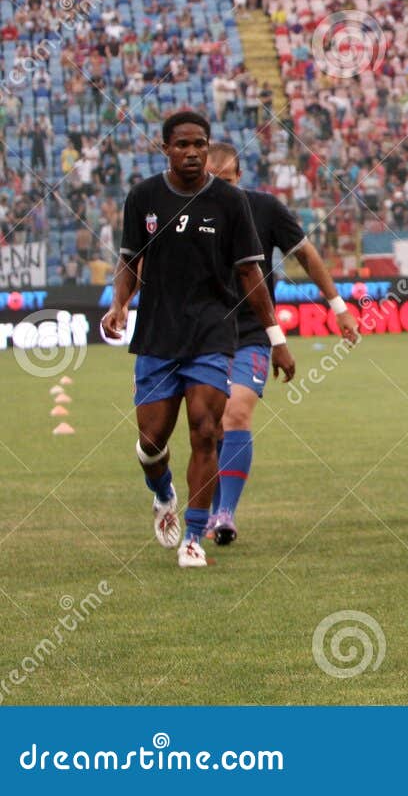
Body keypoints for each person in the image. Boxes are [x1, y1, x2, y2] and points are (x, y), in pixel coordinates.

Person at [100, 110, 295, 570]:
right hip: (157, 333)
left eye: (200, 145)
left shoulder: (230, 201)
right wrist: (119, 304)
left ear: (208, 148)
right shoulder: (143, 197)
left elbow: (251, 271)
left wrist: (276, 337)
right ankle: (163, 492)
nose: (192, 153)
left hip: (212, 331)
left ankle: (193, 536)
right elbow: (130, 260)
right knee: (151, 441)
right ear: (165, 148)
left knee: (207, 431)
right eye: (183, 145)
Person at [204, 143, 359, 545]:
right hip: (203, 334)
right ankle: (202, 508)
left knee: (235, 413)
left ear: (238, 176)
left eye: (224, 180)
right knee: (207, 424)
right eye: (209, 180)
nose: (217, 188)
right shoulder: (187, 214)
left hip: (255, 331)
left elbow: (305, 254)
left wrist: (338, 307)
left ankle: (225, 513)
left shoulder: (265, 209)